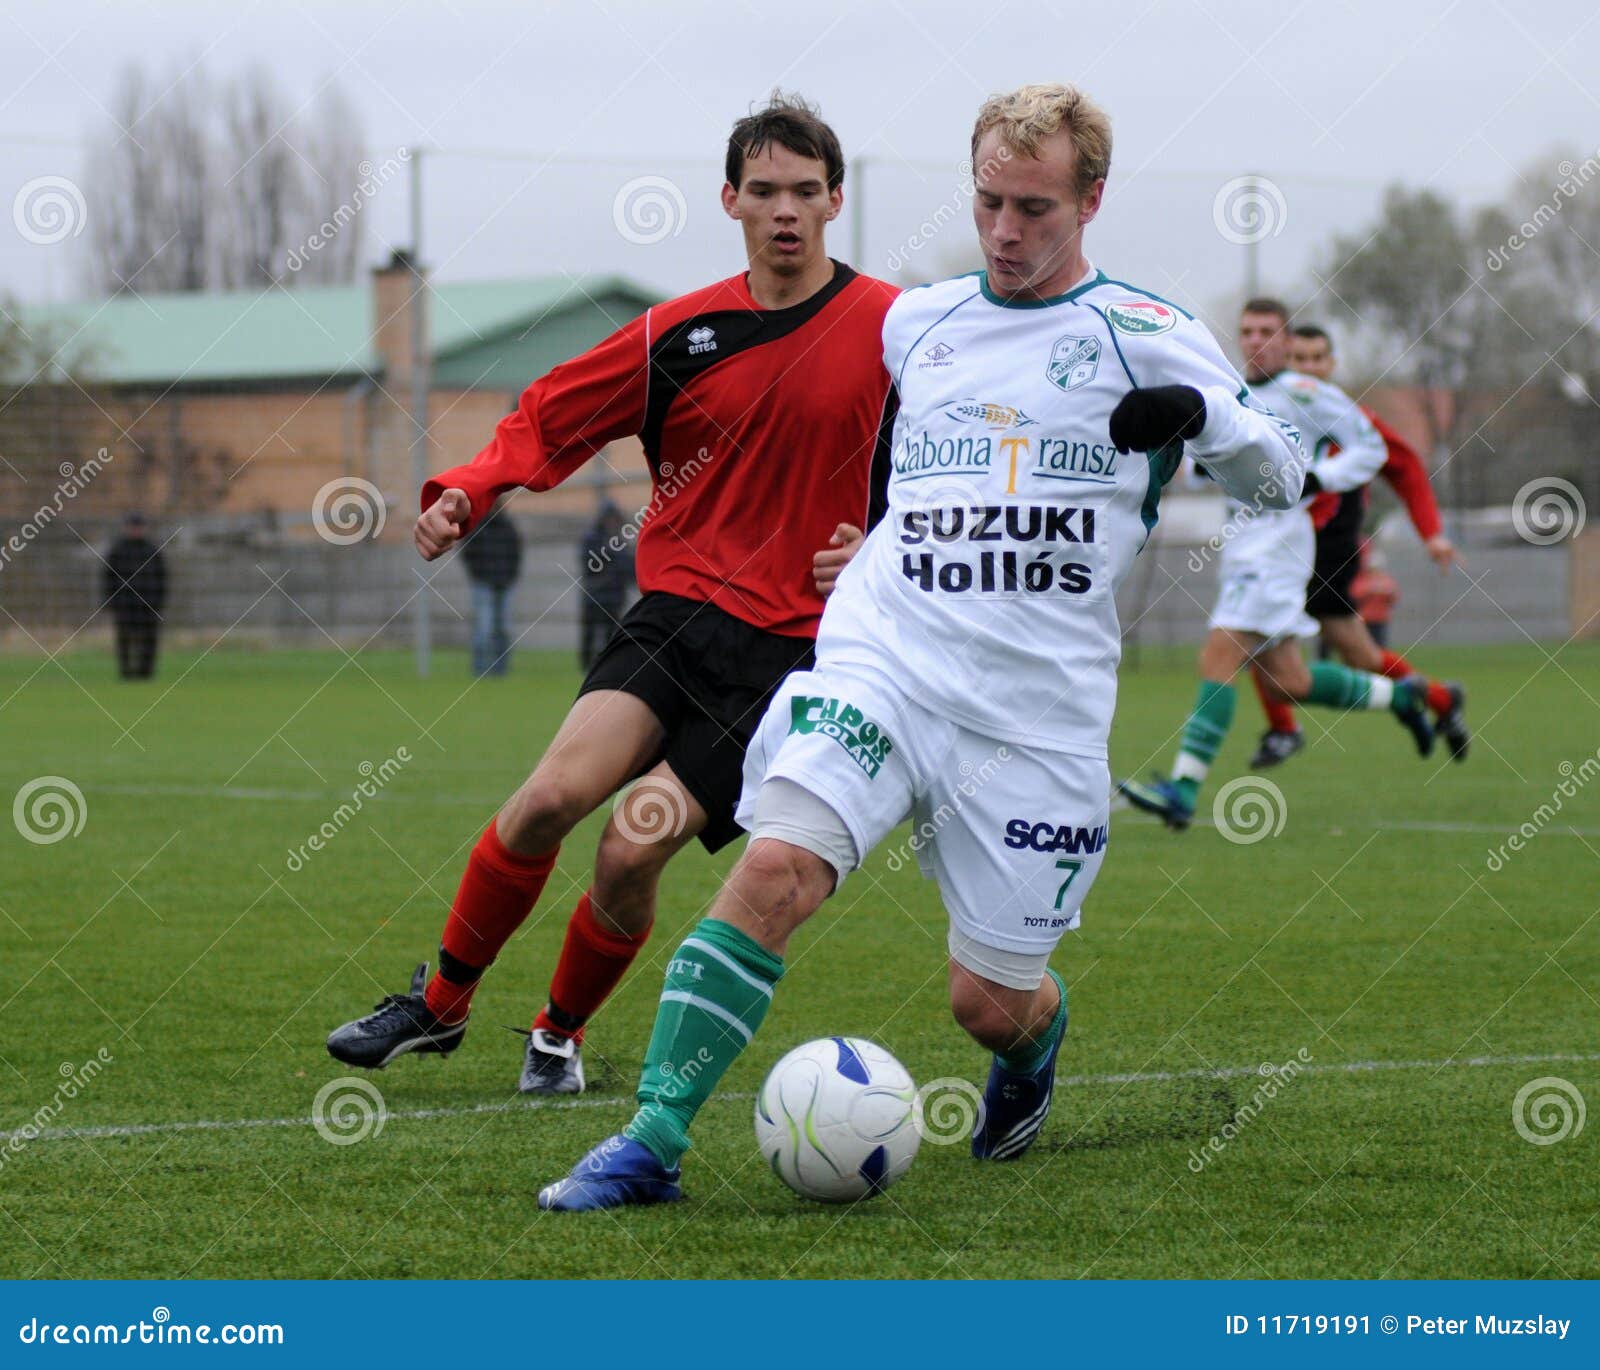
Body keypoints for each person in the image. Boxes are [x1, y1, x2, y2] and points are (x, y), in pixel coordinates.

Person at [536, 82, 1306, 1211]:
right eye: (989, 201)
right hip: (883, 663)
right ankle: (649, 1138)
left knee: (986, 1000)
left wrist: (1206, 422)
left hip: (1032, 713)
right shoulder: (919, 321)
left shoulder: (1149, 336)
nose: (1004, 231)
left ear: (1090, 199)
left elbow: (1285, 475)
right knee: (772, 869)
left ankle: (1031, 1048)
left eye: (1034, 208)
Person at [326, 94, 900, 1096]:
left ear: (834, 200)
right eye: (763, 190)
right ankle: (442, 1002)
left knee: (632, 847)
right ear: (729, 199)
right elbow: (551, 411)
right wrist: (468, 488)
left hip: (791, 652)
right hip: (673, 615)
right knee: (546, 797)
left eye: (805, 191)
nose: (785, 210)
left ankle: (556, 1032)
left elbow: (960, 463)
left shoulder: (895, 327)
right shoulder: (676, 335)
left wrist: (883, 544)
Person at [1118, 299, 1453, 833]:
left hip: (1278, 549)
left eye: (1267, 332)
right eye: (1247, 330)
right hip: (1242, 544)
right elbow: (1210, 467)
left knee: (1219, 656)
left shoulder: (1309, 393)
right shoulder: (1233, 393)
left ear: (1286, 339)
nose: (1255, 340)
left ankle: (1182, 789)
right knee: (1286, 682)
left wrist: (1317, 478)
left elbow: (1370, 451)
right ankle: (1403, 693)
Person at [1243, 323, 1467, 766]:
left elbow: (1405, 468)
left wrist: (1432, 533)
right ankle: (1435, 700)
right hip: (1280, 546)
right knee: (1255, 632)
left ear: (1331, 365)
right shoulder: (1273, 412)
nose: (1308, 367)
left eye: (1317, 359)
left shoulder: (1351, 420)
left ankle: (1432, 699)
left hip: (1330, 548)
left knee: (1350, 651)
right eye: (1299, 359)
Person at [460, 498, 522, 677]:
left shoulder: (508, 527)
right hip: (483, 584)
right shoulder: (477, 528)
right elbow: (468, 554)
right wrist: (479, 575)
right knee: (484, 628)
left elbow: (516, 555)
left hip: (504, 584)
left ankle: (500, 670)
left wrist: (510, 577)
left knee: (503, 628)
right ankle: (480, 669)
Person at [102, 513, 167, 680]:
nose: (136, 531)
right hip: (125, 604)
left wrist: (158, 601)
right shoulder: (118, 551)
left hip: (148, 605)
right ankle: (126, 672)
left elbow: (162, 578)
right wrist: (110, 601)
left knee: (149, 639)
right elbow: (108, 578)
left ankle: (145, 672)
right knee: (124, 639)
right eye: (133, 527)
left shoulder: (152, 551)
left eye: (139, 527)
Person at [578, 496, 632, 670]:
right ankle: (585, 666)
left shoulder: (620, 541)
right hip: (594, 594)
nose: (612, 522)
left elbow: (628, 568)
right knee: (590, 633)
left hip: (614, 596)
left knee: (611, 634)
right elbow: (590, 563)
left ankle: (606, 665)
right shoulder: (592, 538)